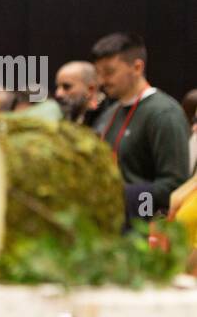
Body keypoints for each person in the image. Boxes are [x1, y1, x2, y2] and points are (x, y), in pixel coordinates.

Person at [91, 32, 189, 217]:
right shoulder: (108, 115)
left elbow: (175, 185)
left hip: (144, 231)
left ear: (137, 67)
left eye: (109, 72)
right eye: (99, 73)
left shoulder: (163, 113)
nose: (102, 81)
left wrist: (124, 195)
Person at [54, 60, 107, 127]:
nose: (58, 94)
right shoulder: (71, 116)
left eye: (66, 87)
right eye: (58, 87)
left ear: (90, 89)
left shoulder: (108, 117)